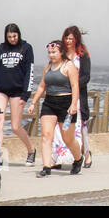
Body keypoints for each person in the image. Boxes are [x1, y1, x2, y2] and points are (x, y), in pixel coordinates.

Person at [26, 40, 83, 177]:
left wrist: (73, 104)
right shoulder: (48, 67)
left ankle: (78, 159)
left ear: (61, 52)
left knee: (67, 139)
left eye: (54, 52)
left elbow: (75, 86)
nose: (51, 55)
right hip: (49, 102)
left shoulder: (69, 66)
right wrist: (33, 102)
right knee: (46, 136)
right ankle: (46, 167)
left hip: (66, 102)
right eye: (49, 53)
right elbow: (42, 86)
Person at [0, 23, 35, 167]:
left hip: (17, 91)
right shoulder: (1, 48)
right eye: (9, 37)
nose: (12, 39)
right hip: (1, 90)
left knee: (15, 126)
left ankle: (31, 150)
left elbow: (29, 72)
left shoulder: (26, 48)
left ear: (19, 35)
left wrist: (26, 95)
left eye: (14, 36)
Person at [62, 26, 93, 168]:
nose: (68, 41)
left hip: (79, 95)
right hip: (63, 95)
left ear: (76, 40)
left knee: (81, 125)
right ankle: (63, 156)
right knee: (64, 125)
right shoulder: (61, 54)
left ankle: (86, 153)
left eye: (71, 39)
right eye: (66, 38)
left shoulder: (82, 55)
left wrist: (73, 84)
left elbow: (86, 76)